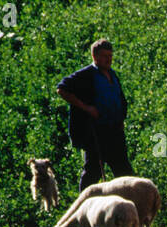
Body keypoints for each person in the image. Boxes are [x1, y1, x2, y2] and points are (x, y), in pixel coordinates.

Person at [56, 39, 133, 192]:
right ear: (94, 56)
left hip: (115, 132)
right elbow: (62, 89)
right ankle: (82, 208)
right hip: (96, 133)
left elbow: (119, 99)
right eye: (105, 56)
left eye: (110, 56)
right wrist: (86, 108)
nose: (108, 59)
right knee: (92, 173)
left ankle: (130, 207)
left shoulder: (112, 74)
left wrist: (121, 117)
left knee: (125, 172)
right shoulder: (86, 75)